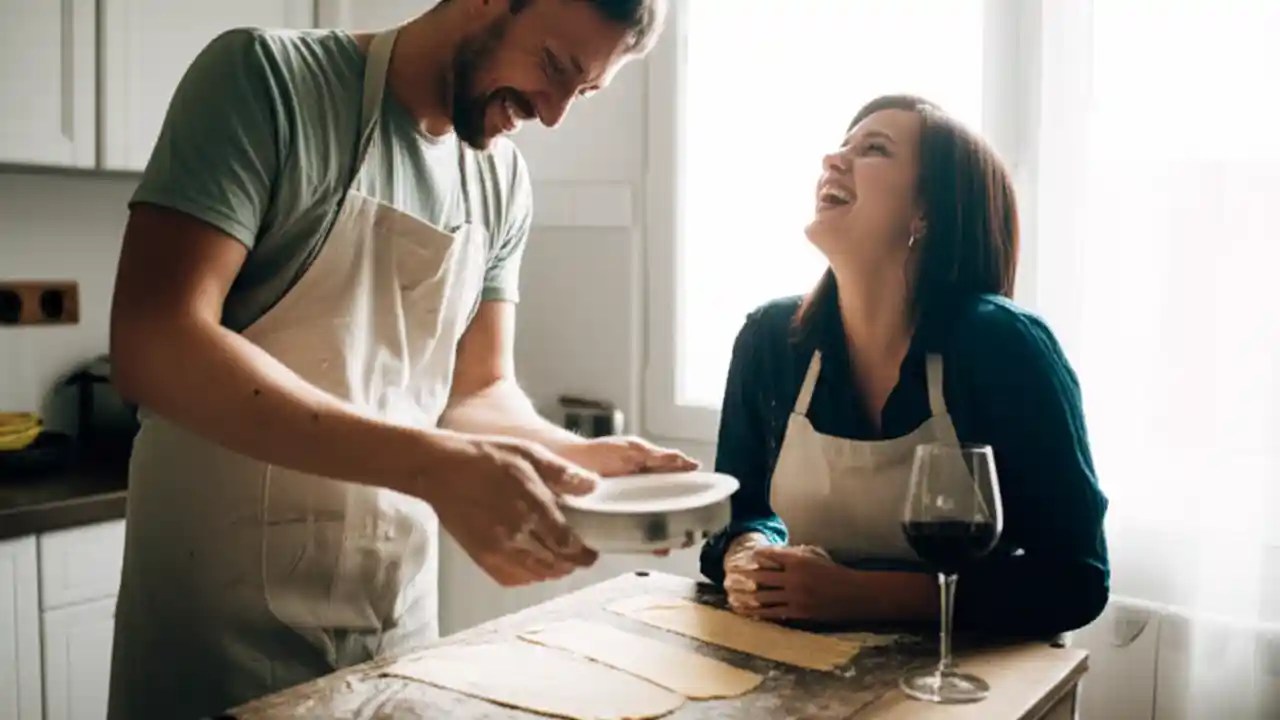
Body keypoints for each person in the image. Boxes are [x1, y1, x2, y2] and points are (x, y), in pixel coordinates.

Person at [106, 1, 692, 717]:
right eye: (555, 67)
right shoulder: (267, 83)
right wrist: (430, 465)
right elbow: (155, 340)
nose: (556, 113)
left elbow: (478, 390)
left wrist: (573, 460)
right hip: (219, 626)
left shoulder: (500, 181)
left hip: (394, 622)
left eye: (586, 91)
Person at [699, 95, 1109, 638]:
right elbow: (737, 512)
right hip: (805, 670)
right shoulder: (770, 340)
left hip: (972, 682)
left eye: (873, 149)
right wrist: (748, 553)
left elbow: (1075, 579)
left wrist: (857, 595)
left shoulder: (1005, 348)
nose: (833, 160)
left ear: (927, 212)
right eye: (841, 146)